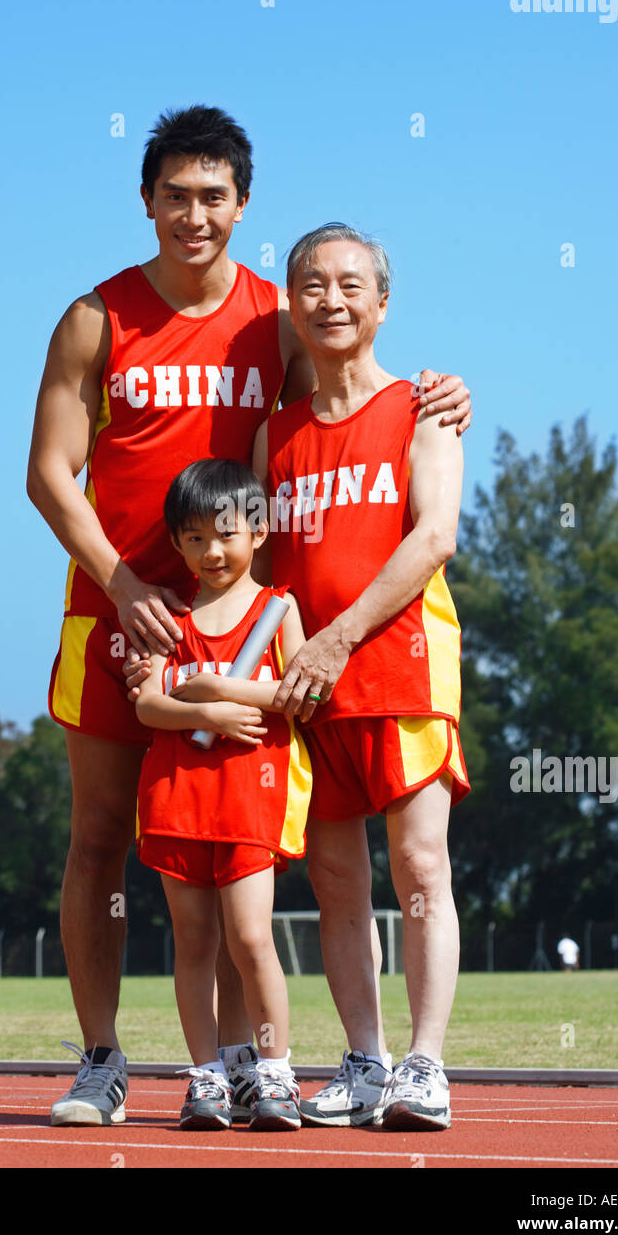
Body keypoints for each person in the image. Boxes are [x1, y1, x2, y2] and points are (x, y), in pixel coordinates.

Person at [26, 104, 472, 1126]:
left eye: (212, 197)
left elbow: (351, 383)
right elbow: (49, 475)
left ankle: (237, 1065)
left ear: (241, 206)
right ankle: (100, 1057)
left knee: (232, 853)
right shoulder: (95, 317)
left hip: (240, 631)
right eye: (174, 196)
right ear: (145, 201)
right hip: (116, 614)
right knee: (98, 837)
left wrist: (439, 394)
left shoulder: (277, 316)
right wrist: (122, 582)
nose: (193, 214)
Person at [252, 223, 470, 1132]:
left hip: (403, 669)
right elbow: (260, 570)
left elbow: (434, 538)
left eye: (350, 285)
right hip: (309, 686)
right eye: (311, 285)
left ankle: (427, 1065)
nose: (331, 300)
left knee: (420, 865)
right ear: (291, 307)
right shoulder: (278, 432)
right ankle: (365, 1062)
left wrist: (338, 637)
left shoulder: (426, 409)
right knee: (336, 884)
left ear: (382, 303)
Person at [134, 458, 311, 1129]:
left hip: (249, 802)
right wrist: (203, 715)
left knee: (250, 938)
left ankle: (274, 1072)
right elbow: (149, 705)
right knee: (194, 943)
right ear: (178, 542)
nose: (212, 551)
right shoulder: (169, 617)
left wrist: (213, 688)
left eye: (227, 533)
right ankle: (206, 1074)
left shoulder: (278, 608)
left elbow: (296, 696)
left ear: (259, 531)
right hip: (176, 800)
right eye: (195, 538)